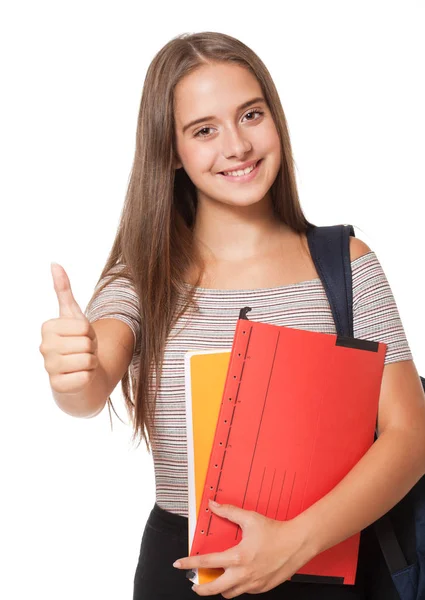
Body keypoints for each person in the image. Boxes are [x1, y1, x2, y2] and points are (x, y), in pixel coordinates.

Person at [40, 31, 425, 600]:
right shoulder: (141, 278)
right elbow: (90, 387)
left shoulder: (345, 265)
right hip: (182, 573)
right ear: (170, 151)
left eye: (251, 114)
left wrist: (295, 541)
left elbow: (412, 435)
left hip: (325, 561)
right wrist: (74, 370)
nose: (237, 145)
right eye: (204, 130)